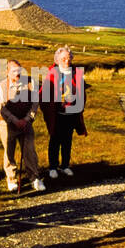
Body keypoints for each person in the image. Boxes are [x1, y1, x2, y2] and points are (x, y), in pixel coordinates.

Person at [0, 59, 46, 192]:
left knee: (29, 150)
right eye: (13, 71)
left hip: (26, 122)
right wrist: (14, 121)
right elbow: (1, 108)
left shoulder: (30, 83)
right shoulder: (2, 86)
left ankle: (34, 178)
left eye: (19, 70)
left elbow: (35, 104)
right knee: (9, 150)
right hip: (7, 123)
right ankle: (11, 179)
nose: (17, 73)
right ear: (7, 72)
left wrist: (26, 119)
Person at [41, 45, 87, 178]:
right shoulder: (52, 73)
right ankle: (53, 167)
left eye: (69, 58)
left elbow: (82, 93)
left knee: (67, 140)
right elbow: (44, 94)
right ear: (57, 59)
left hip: (71, 114)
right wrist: (51, 108)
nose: (67, 61)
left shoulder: (76, 73)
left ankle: (65, 165)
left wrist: (79, 106)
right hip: (57, 114)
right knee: (55, 140)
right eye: (63, 58)